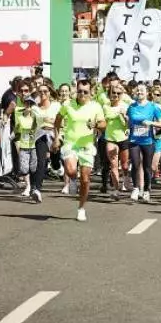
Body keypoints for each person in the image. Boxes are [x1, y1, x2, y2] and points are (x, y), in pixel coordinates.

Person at [54, 79, 105, 222]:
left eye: (85, 92)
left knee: (85, 179)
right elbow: (57, 120)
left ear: (91, 92)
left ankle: (81, 208)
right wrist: (57, 138)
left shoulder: (95, 106)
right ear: (76, 90)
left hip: (87, 146)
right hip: (71, 143)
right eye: (80, 91)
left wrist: (95, 124)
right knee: (70, 171)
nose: (82, 94)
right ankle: (72, 178)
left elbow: (103, 124)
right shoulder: (67, 104)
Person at [126, 82, 161, 203]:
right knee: (135, 163)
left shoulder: (153, 107)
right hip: (134, 139)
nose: (139, 92)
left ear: (147, 93)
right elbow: (129, 123)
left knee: (147, 167)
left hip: (148, 141)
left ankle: (147, 191)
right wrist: (127, 127)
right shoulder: (132, 107)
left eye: (142, 91)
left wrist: (151, 123)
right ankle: (135, 188)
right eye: (137, 90)